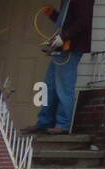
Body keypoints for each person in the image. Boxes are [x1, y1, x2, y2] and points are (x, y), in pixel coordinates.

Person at [24, 0, 94, 135]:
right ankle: (44, 122)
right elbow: (65, 21)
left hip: (71, 48)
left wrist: (63, 37)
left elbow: (83, 21)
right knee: (48, 86)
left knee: (64, 87)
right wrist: (51, 13)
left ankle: (62, 125)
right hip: (62, 47)